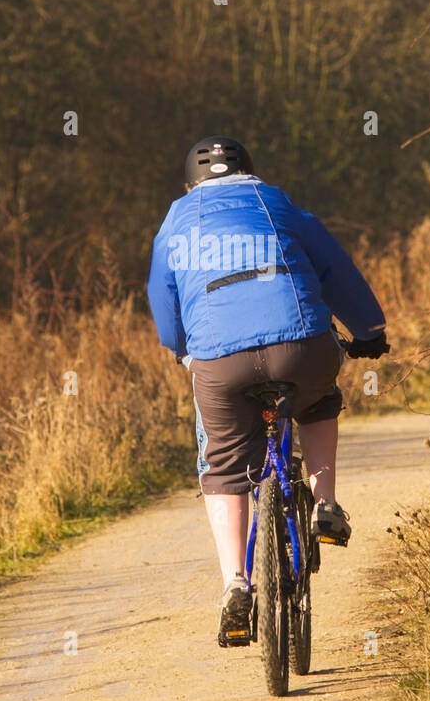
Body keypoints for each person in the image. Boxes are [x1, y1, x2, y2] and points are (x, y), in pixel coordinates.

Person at [147, 136, 389, 646]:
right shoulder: (275, 202)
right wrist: (368, 329)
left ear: (191, 184)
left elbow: (163, 302)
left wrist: (184, 351)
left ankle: (236, 583)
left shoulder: (176, 220)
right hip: (300, 345)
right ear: (250, 172)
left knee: (226, 464)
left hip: (221, 362)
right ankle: (325, 504)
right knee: (318, 399)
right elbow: (334, 267)